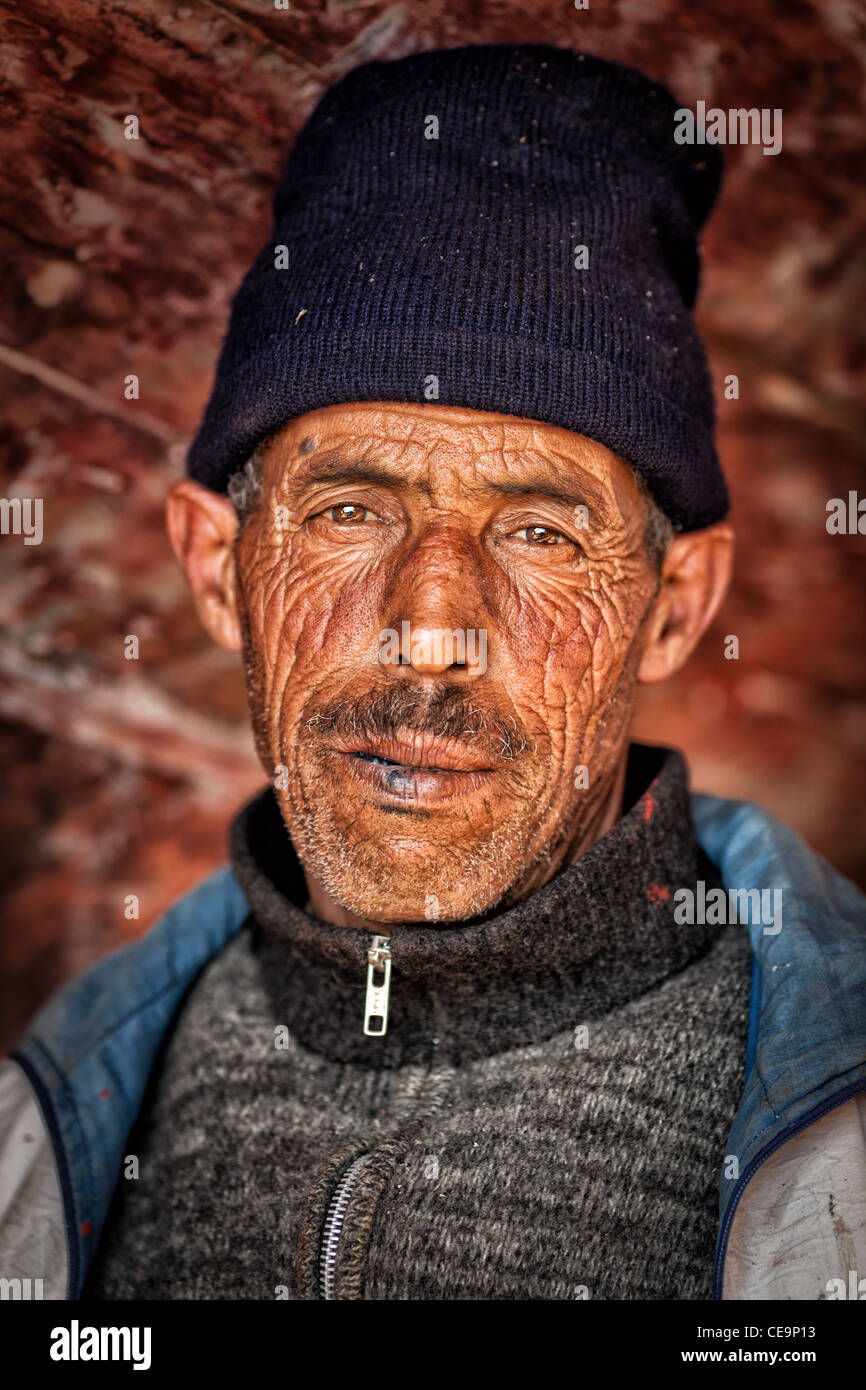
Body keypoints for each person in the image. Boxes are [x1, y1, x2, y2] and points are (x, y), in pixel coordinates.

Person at [1, 43, 864, 1302]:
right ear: (213, 568)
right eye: (351, 511)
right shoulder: (41, 1115)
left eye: (539, 531)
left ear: (672, 610)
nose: (431, 630)